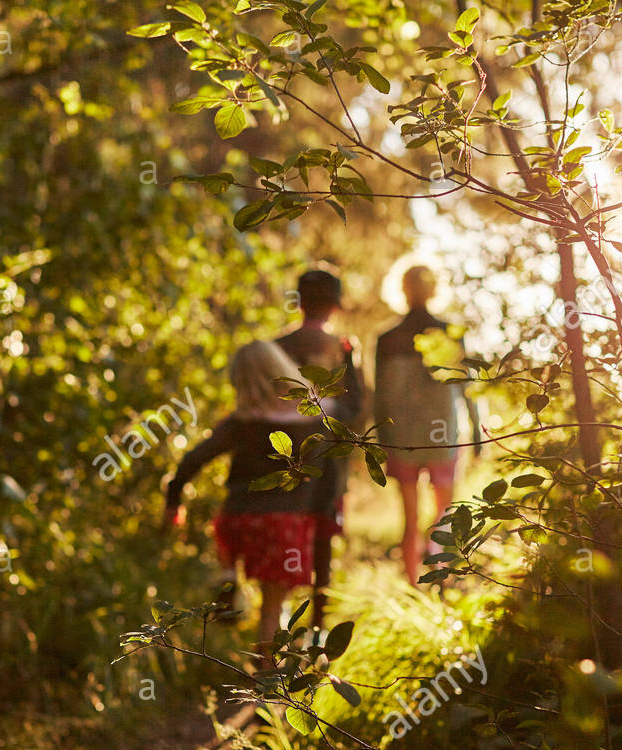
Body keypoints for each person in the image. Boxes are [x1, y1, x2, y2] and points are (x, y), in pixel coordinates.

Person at [163, 341, 332, 666]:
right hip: (282, 521)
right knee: (271, 609)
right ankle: (267, 682)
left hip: (236, 518)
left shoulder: (240, 422)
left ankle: (229, 577)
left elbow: (193, 460)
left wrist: (174, 500)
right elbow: (320, 477)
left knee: (232, 543)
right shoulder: (311, 419)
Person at [374, 265, 481, 586]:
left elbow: (379, 396)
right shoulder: (450, 331)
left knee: (409, 521)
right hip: (443, 437)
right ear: (435, 289)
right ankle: (440, 584)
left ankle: (413, 586)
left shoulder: (387, 339)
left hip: (402, 440)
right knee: (444, 517)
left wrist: (382, 440)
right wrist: (477, 432)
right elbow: (468, 387)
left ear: (402, 290)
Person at [274, 268, 362, 631]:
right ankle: (318, 626)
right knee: (323, 538)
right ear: (335, 307)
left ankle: (275, 622)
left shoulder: (276, 346)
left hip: (281, 456)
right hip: (326, 459)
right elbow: (355, 403)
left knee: (282, 532)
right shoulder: (342, 348)